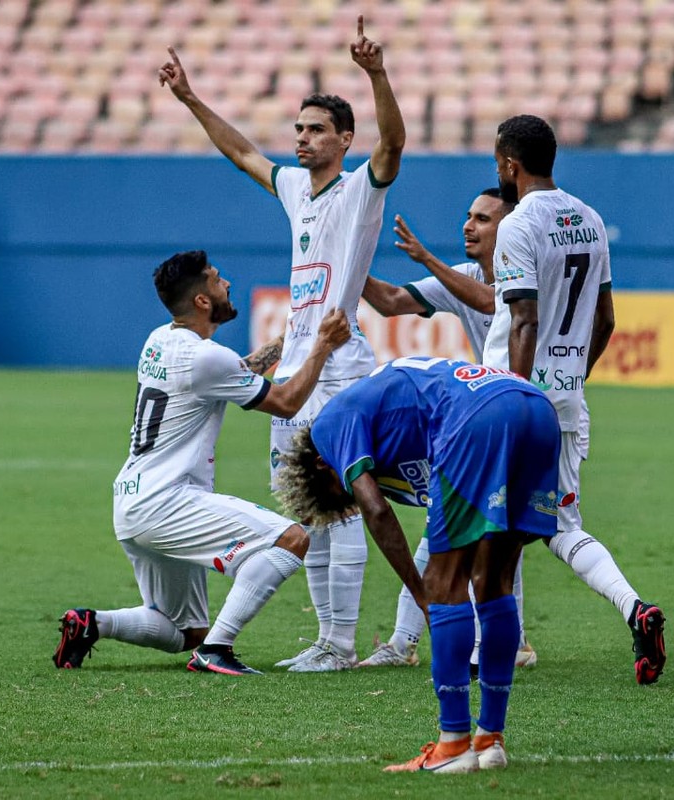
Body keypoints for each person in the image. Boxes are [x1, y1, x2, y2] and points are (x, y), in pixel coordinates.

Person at [159, 15, 406, 672]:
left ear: (344, 139)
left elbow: (393, 150)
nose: (301, 138)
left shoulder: (360, 192)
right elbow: (242, 152)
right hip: (292, 375)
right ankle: (327, 639)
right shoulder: (295, 187)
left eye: (316, 129)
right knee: (307, 504)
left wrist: (376, 74)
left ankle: (342, 643)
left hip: (339, 373)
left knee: (342, 502)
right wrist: (189, 99)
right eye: (297, 129)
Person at [52, 250, 350, 676]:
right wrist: (321, 346)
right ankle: (217, 651)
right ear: (202, 301)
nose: (226, 282)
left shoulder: (160, 339)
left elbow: (232, 375)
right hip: (168, 502)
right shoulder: (206, 358)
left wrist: (284, 345)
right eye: (216, 279)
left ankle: (92, 624)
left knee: (182, 630)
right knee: (291, 539)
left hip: (131, 503)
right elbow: (285, 403)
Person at [277, 356, 563, 772]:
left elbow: (375, 509)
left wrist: (420, 591)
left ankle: (452, 746)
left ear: (322, 465)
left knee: (443, 580)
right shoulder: (383, 413)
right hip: (535, 407)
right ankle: (490, 740)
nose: (354, 491)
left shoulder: (329, 427)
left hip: (475, 414)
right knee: (494, 579)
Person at [486, 114, 666, 685]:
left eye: (498, 161)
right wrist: (569, 378)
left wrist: (518, 400)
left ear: (510, 165)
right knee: (562, 526)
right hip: (566, 401)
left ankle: (485, 650)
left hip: (514, 400)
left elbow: (523, 320)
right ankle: (635, 609)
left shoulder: (517, 226)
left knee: (489, 523)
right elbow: (607, 319)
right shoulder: (589, 219)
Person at [358, 189, 537, 671]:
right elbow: (393, 301)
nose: (469, 225)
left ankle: (414, 643)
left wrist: (427, 258)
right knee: (496, 529)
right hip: (491, 413)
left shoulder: (529, 273)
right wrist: (346, 262)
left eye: (482, 218)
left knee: (517, 531)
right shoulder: (464, 276)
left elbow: (497, 304)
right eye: (467, 215)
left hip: (530, 412)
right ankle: (419, 642)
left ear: (512, 229)